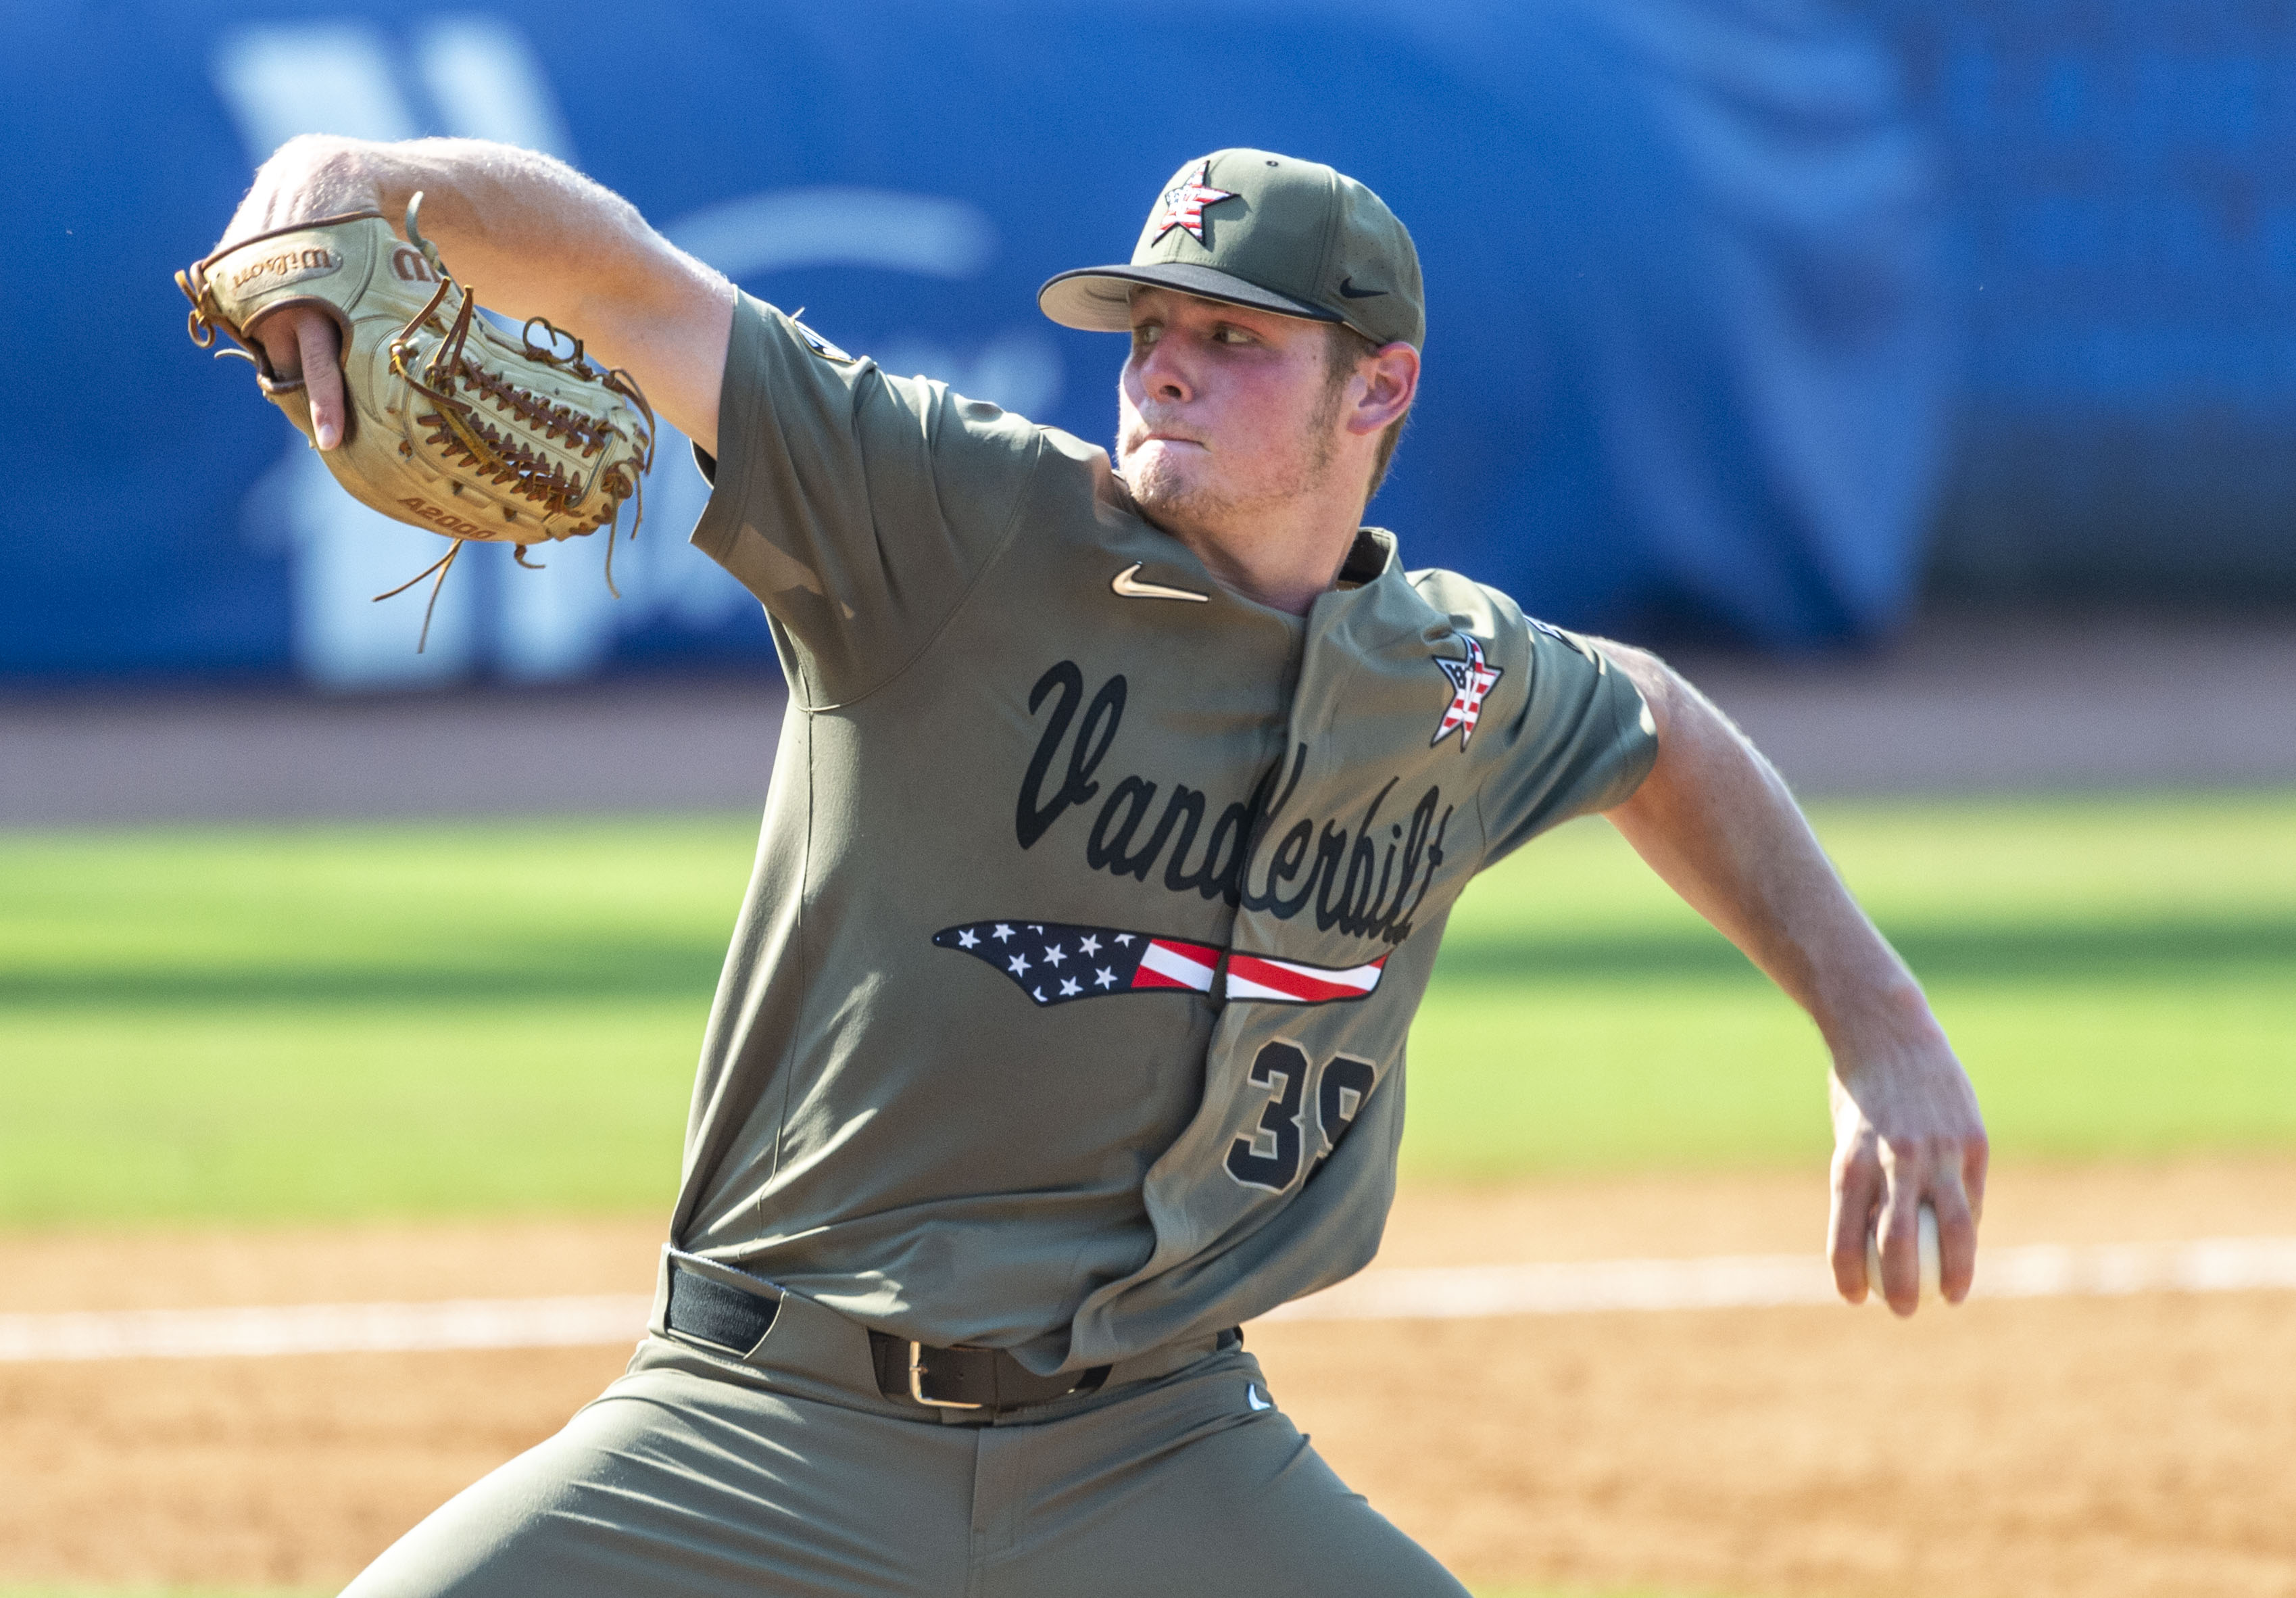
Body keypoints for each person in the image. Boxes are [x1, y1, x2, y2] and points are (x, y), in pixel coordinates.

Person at [217, 139, 1987, 1597]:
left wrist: (1878, 1024)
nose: (1163, 360)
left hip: (1160, 1453)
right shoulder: (948, 517)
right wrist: (335, 188)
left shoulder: (1446, 679)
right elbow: (630, 289)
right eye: (1150, 322)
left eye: (1234, 340)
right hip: (765, 1432)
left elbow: (1655, 720)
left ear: (1383, 388)